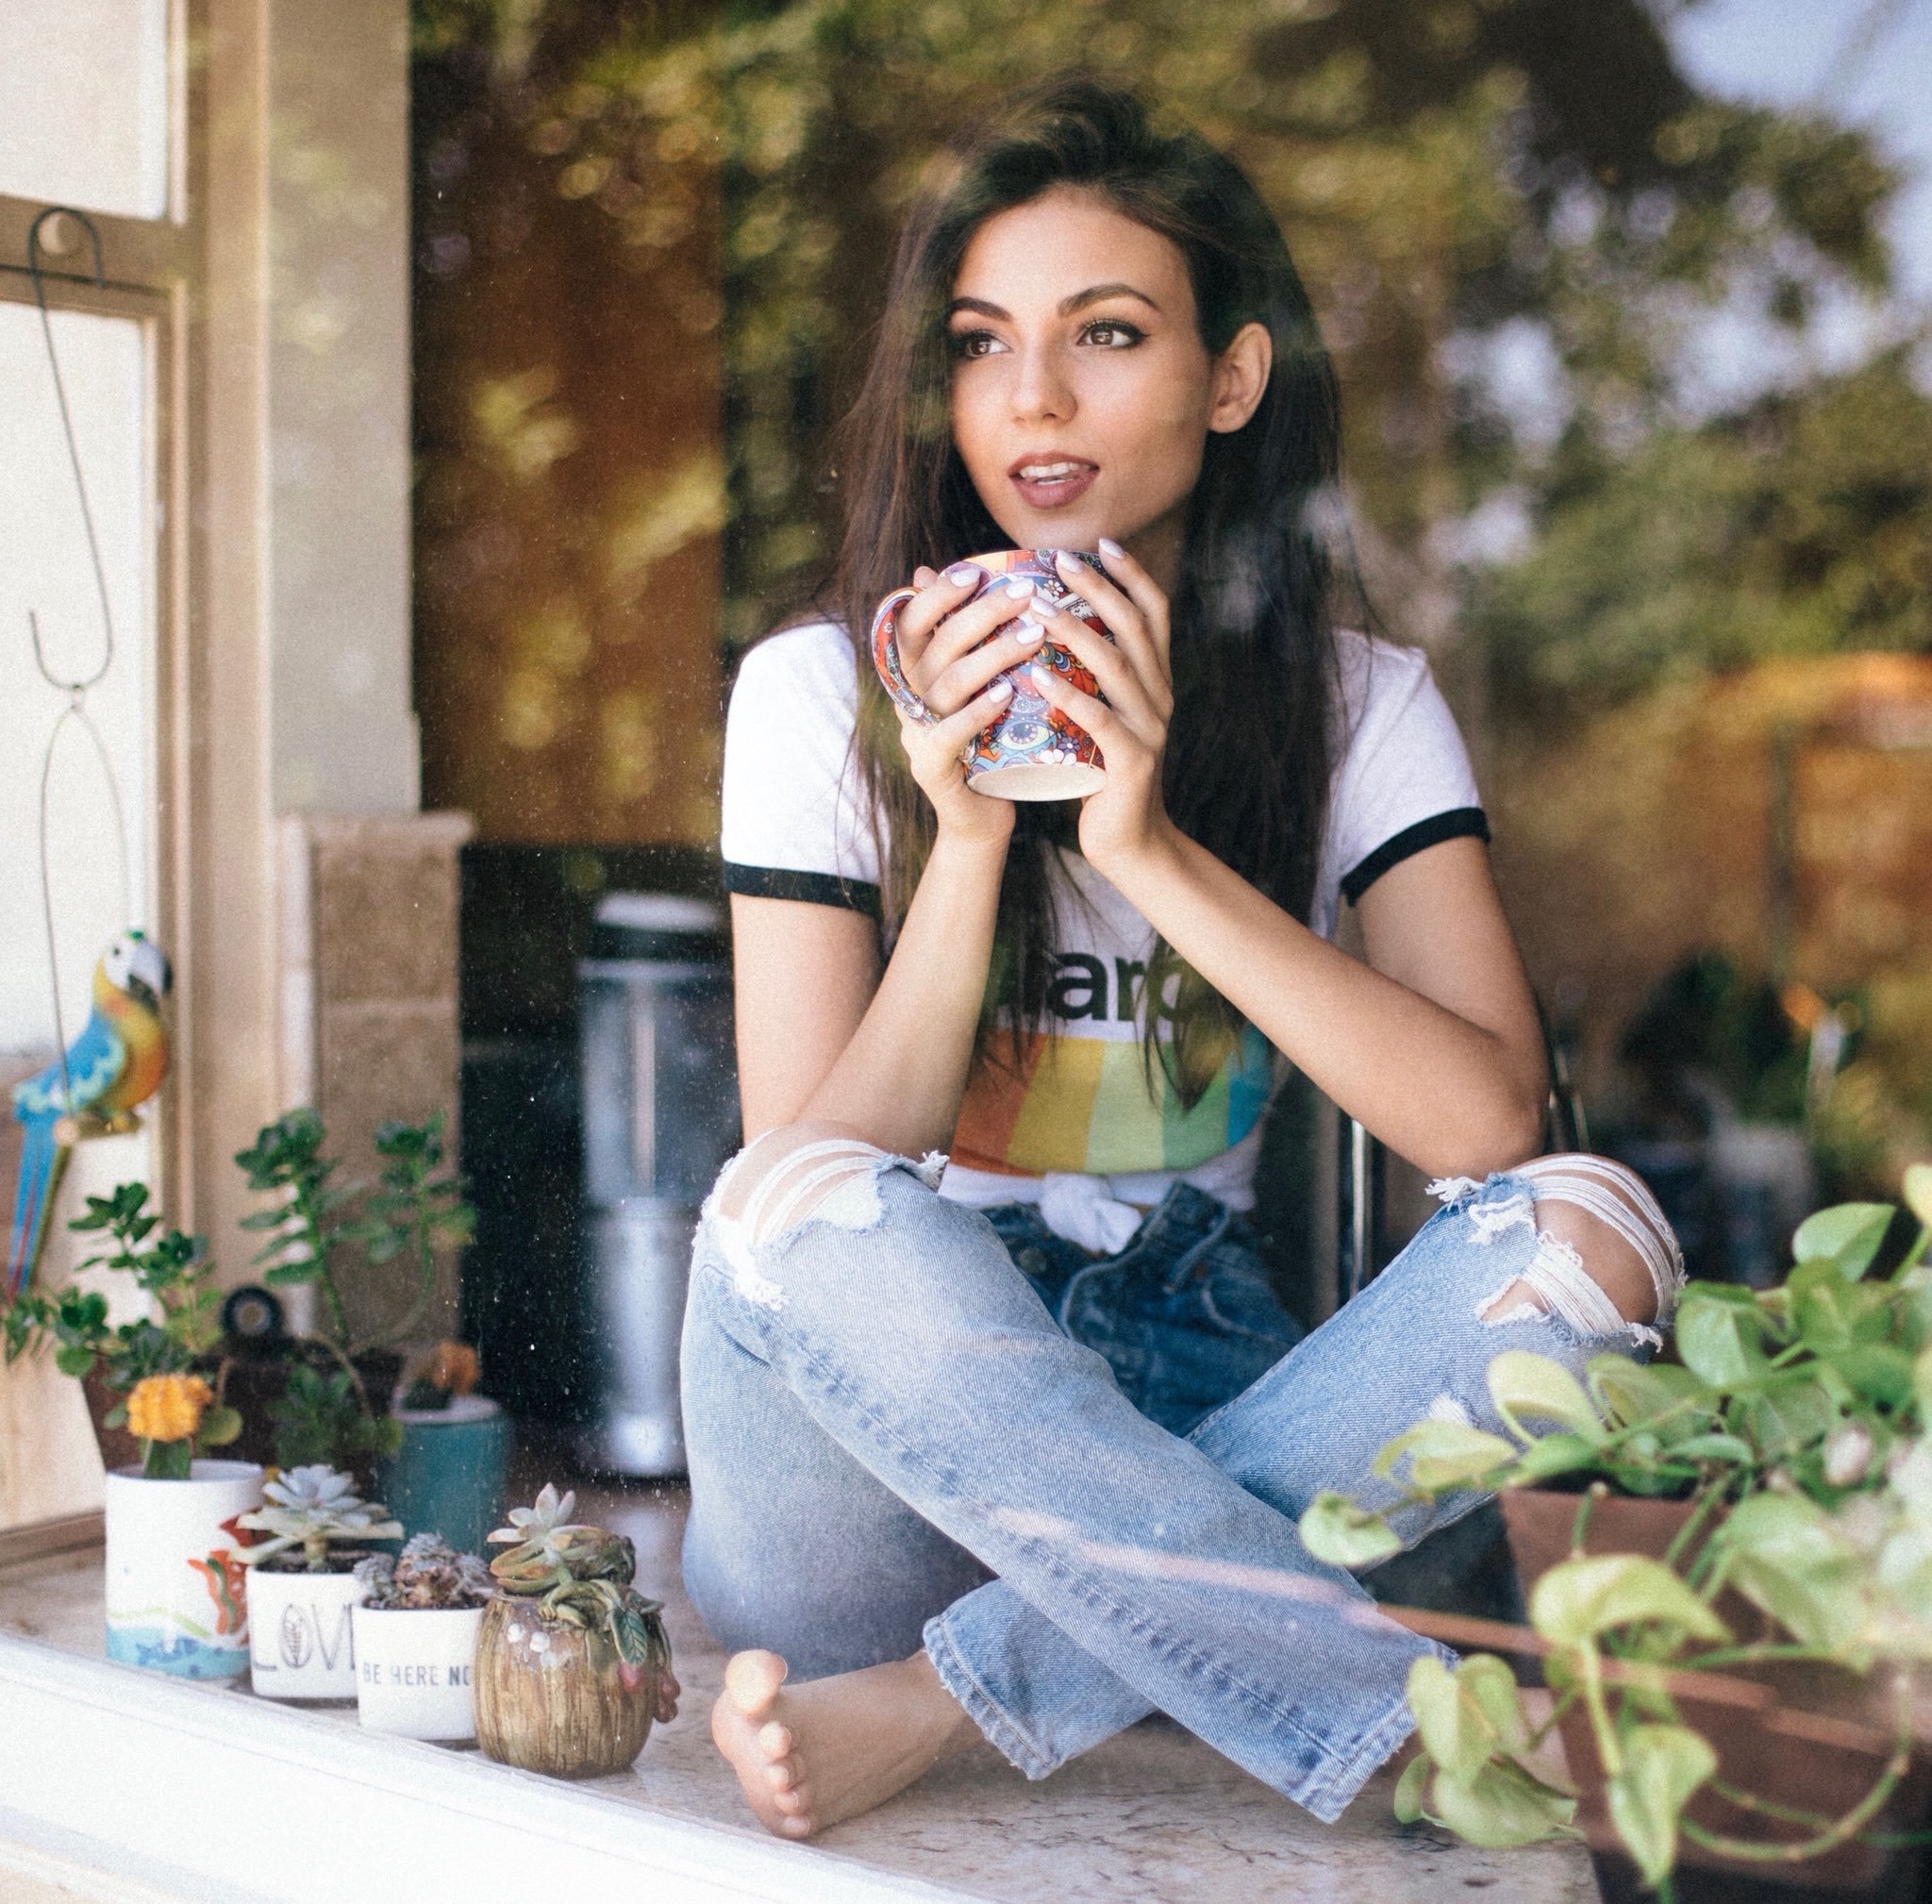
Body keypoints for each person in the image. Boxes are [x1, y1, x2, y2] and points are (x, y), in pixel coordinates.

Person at [683, 75, 1680, 1841]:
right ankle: (1387, 1720)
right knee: (789, 1206)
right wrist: (971, 835)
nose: (1033, 399)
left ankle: (952, 1699)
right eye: (983, 344)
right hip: (880, 1461)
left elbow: (1486, 1127)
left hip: (1196, 1387)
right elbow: (826, 1180)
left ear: (1232, 378)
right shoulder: (819, 690)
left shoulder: (1359, 705)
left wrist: (1145, 843)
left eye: (1108, 333)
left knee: (1594, 1229)